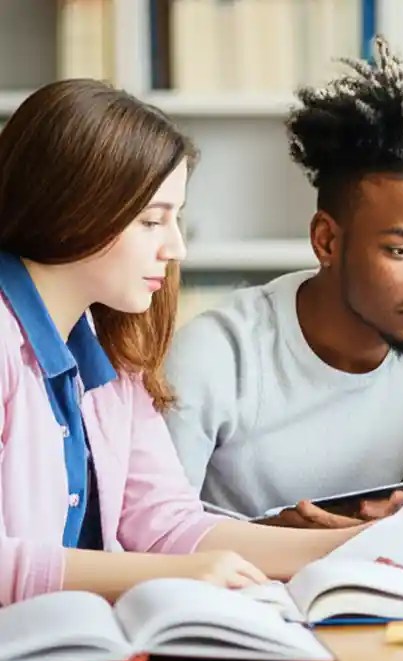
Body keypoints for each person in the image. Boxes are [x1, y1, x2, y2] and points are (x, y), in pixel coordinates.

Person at [0, 79, 369, 606]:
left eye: (176, 218)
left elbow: (166, 524)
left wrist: (353, 547)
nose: (176, 247)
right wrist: (163, 575)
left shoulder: (107, 347)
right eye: (152, 220)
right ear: (72, 209)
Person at [163, 38, 403, 528]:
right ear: (326, 241)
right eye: (400, 251)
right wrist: (284, 539)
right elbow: (151, 536)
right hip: (241, 576)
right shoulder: (218, 354)